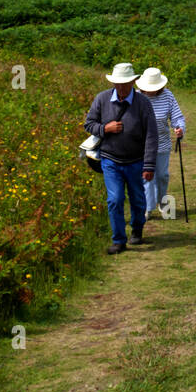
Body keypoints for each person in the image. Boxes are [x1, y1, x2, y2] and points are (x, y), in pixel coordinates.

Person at [84, 63, 157, 254]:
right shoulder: (102, 99)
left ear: (133, 82)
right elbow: (89, 124)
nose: (121, 88)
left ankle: (137, 229)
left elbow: (151, 135)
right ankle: (118, 240)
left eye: (125, 84)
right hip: (110, 160)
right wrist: (104, 129)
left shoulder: (143, 104)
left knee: (138, 199)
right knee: (115, 199)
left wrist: (149, 165)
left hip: (136, 160)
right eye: (117, 83)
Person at [136, 66, 185, 220]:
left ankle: (162, 202)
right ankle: (148, 208)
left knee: (162, 175)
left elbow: (177, 116)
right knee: (147, 177)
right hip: (142, 146)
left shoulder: (168, 95)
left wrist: (179, 128)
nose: (151, 90)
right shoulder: (136, 97)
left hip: (162, 144)